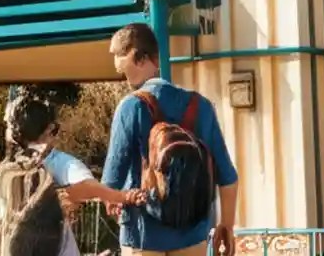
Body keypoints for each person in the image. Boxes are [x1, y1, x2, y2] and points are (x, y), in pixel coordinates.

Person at [101, 23, 239, 256]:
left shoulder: (130, 107)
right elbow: (228, 178)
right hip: (193, 236)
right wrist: (226, 226)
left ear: (137, 55)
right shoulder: (201, 107)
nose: (117, 67)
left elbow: (111, 182)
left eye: (119, 58)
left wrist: (112, 201)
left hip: (142, 238)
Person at [0, 93, 146, 256]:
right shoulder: (57, 162)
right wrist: (121, 196)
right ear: (49, 129)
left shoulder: (3, 172)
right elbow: (86, 187)